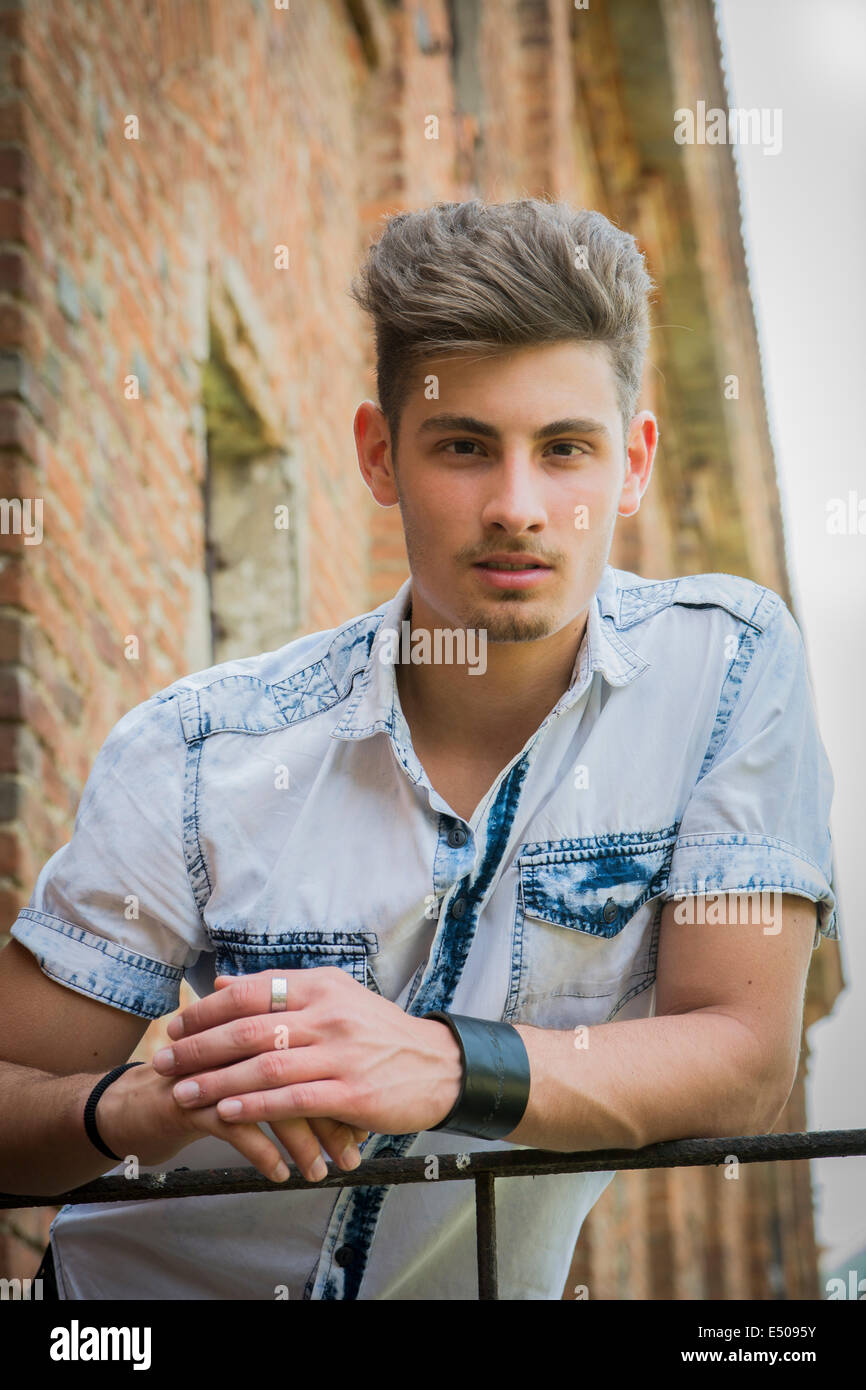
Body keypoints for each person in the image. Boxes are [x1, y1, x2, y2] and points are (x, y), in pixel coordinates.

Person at [0, 198, 837, 1301]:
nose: (517, 506)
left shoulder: (724, 672)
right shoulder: (200, 747)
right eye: (463, 447)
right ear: (379, 454)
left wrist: (440, 1063)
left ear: (630, 465)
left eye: (565, 449)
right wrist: (129, 1106)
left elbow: (740, 1055)